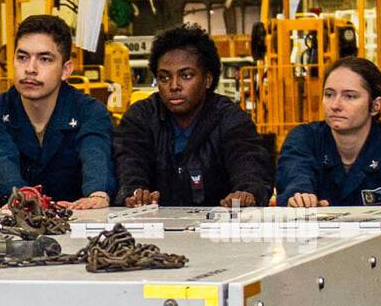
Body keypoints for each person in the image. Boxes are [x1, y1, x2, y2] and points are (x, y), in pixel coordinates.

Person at [114, 24, 273, 208]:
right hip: (153, 229)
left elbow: (249, 162)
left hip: (219, 230)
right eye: (164, 77)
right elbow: (128, 164)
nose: (174, 86)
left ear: (208, 80)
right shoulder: (140, 117)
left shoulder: (230, 118)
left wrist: (247, 193)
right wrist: (134, 193)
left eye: (186, 76)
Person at [0, 14, 115, 209]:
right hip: (17, 225)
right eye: (22, 57)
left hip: (81, 224)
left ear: (66, 70)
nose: (30, 69)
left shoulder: (90, 112)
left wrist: (97, 193)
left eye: (45, 59)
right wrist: (23, 197)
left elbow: (95, 151)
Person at [277, 56, 381, 207]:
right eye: (329, 94)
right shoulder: (304, 139)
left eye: (349, 96)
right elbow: (294, 172)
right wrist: (299, 195)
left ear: (375, 105)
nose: (335, 105)